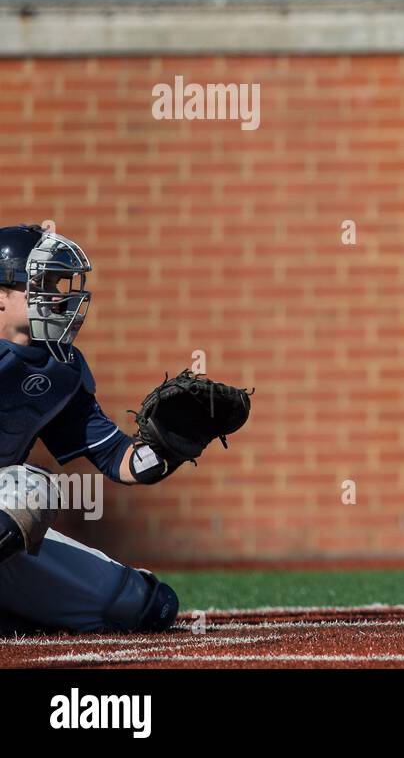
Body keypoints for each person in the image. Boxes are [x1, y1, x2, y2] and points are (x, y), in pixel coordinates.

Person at [0, 225, 247, 634]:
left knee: (143, 604)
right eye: (42, 283)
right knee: (30, 488)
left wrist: (167, 447)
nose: (59, 295)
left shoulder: (60, 369)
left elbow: (119, 459)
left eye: (60, 283)